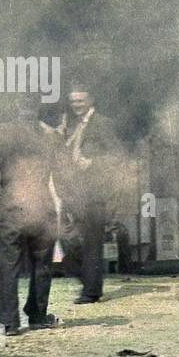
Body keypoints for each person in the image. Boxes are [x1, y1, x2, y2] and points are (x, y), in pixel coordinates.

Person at [0, 95, 61, 334]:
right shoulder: (50, 135)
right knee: (42, 264)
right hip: (41, 206)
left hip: (11, 206)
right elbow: (65, 171)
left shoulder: (0, 132)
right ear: (39, 106)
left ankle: (8, 322)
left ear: (17, 106)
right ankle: (38, 316)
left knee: (8, 266)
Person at [57, 88, 122, 304]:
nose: (77, 105)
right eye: (73, 101)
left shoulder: (103, 123)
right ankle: (87, 280)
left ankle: (91, 291)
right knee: (66, 237)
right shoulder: (72, 125)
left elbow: (117, 155)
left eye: (81, 100)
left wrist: (93, 163)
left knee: (92, 242)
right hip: (73, 191)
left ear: (91, 100)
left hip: (94, 192)